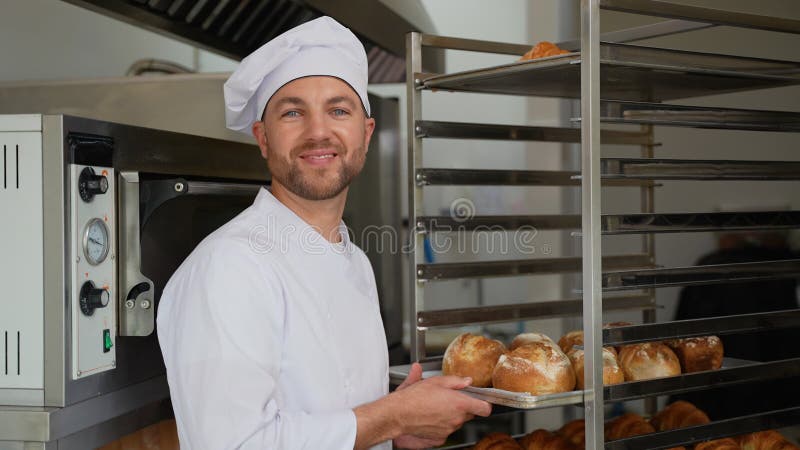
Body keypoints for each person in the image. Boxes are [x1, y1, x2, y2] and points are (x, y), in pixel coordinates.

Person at [156, 16, 491, 450]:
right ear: (262, 138)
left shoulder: (354, 260)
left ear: (365, 134)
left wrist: (397, 431)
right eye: (293, 112)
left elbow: (347, 417)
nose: (318, 132)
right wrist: (391, 416)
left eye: (338, 110)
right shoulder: (230, 267)